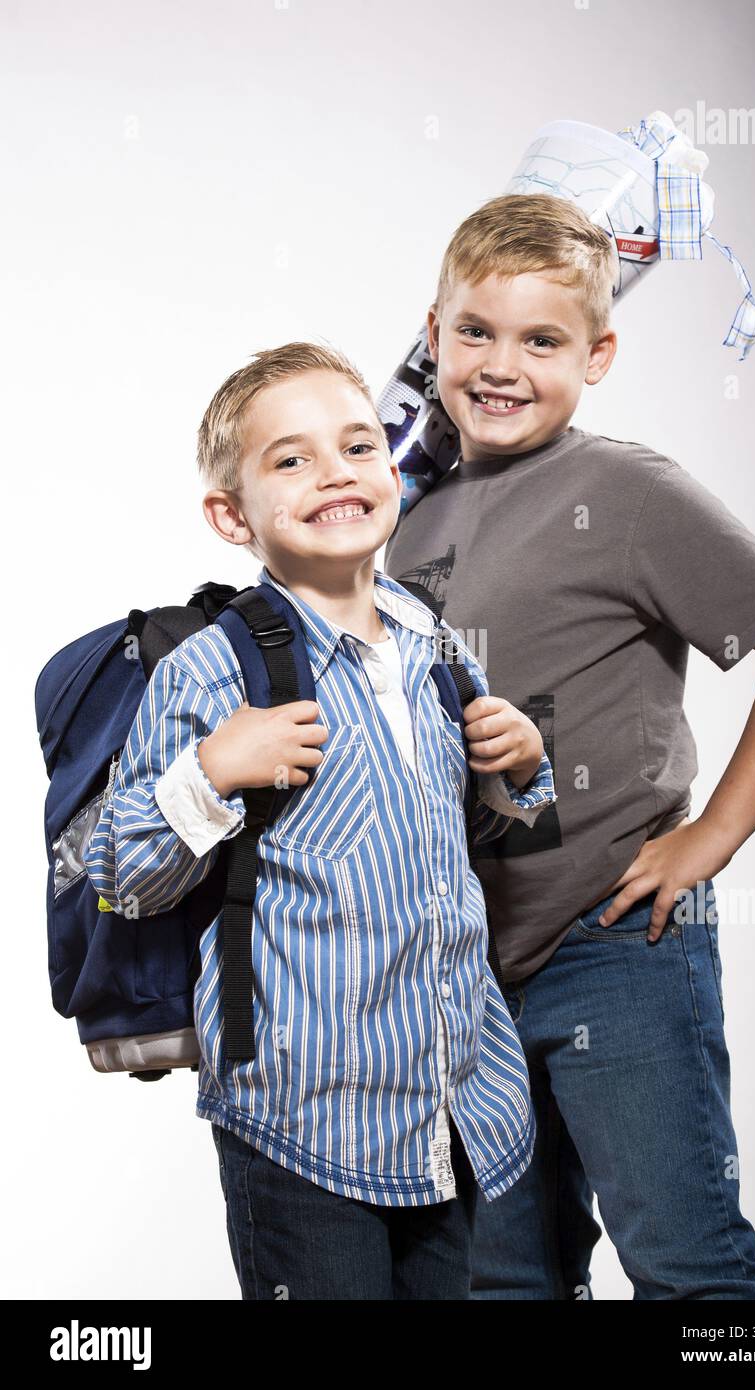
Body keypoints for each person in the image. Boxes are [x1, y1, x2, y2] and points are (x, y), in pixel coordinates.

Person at [384, 193, 755, 1300]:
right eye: (474, 333)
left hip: (615, 938)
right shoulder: (405, 517)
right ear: (433, 336)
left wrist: (711, 837)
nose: (501, 365)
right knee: (509, 1280)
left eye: (541, 340)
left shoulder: (624, 490)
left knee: (686, 1268)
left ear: (597, 354)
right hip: (469, 973)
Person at [83, 341, 556, 1300]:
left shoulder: (433, 641)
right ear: (232, 515)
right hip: (303, 1118)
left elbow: (453, 842)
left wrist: (523, 767)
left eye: (359, 444)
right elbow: (119, 870)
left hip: (449, 1101)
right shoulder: (213, 671)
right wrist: (213, 769)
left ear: (394, 469)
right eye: (290, 460)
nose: (336, 472)